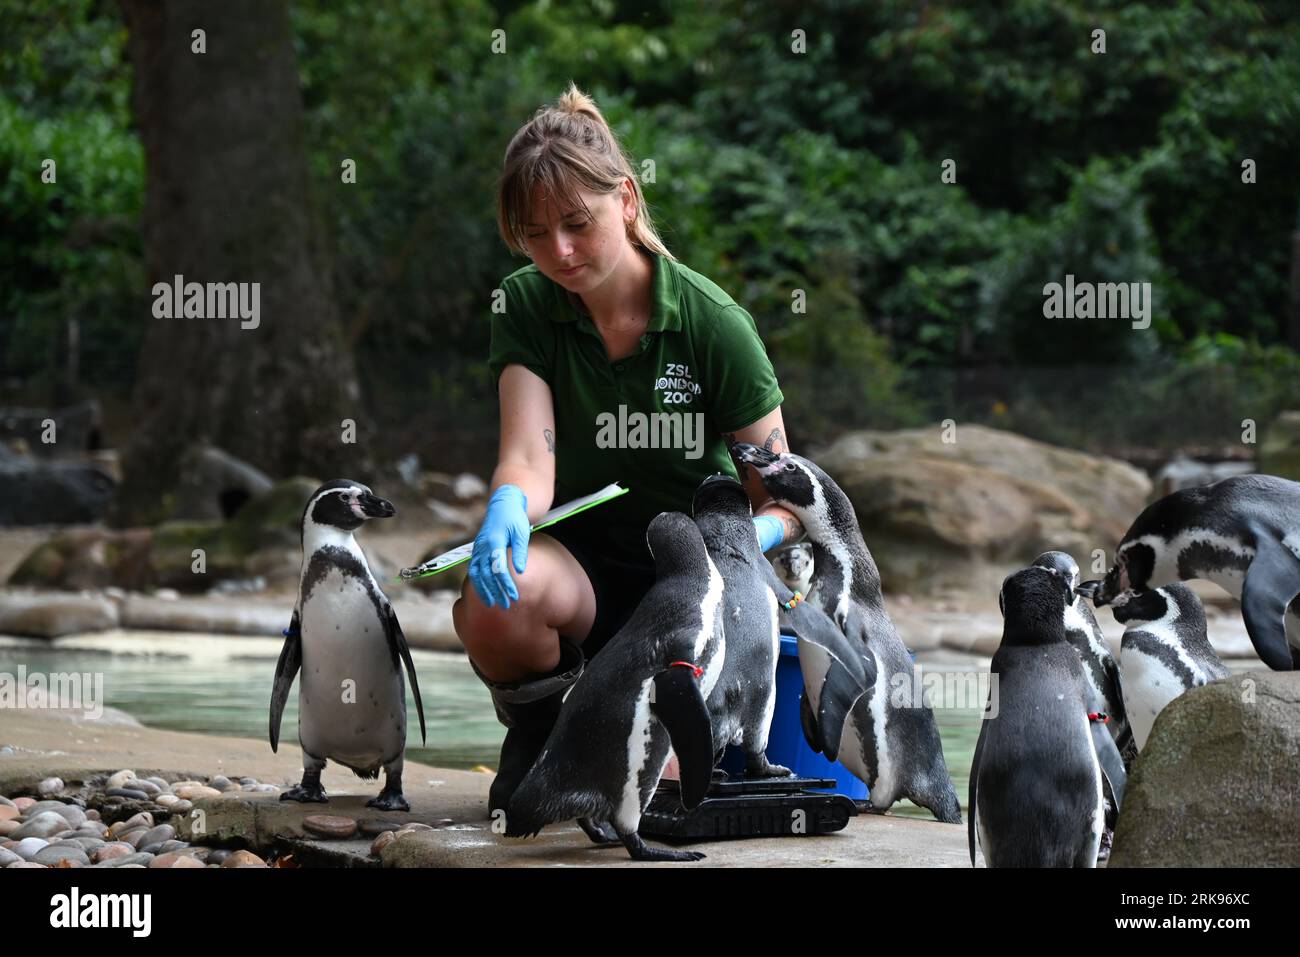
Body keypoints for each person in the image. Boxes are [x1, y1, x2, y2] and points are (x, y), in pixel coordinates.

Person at [454, 82, 805, 815]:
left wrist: (737, 541)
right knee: (495, 604)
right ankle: (545, 731)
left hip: (691, 582)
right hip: (584, 567)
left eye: (577, 224)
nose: (560, 251)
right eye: (535, 234)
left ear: (628, 200)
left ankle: (676, 732)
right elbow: (529, 451)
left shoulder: (713, 325)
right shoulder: (525, 303)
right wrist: (508, 505)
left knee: (667, 792)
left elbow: (791, 500)